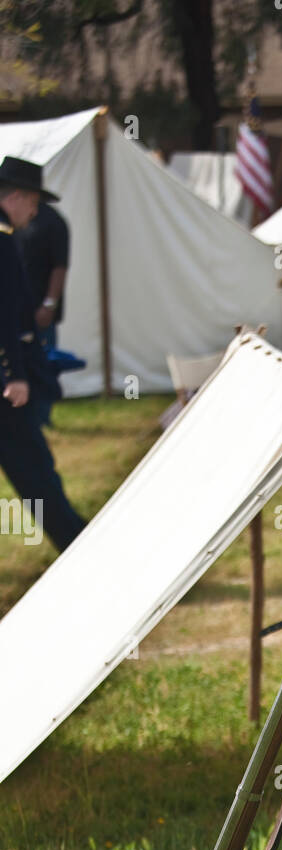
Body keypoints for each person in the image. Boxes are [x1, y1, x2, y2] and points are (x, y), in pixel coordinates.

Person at [0, 156, 85, 553]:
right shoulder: (1, 239)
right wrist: (13, 374)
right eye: (32, 204)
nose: (34, 214)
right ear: (14, 197)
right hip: (5, 388)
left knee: (35, 473)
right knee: (35, 473)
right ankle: (77, 545)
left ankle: (75, 540)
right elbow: (6, 313)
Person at [14, 198, 70, 426]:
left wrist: (49, 304)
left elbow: (60, 265)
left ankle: (41, 418)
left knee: (42, 364)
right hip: (14, 311)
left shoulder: (52, 221)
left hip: (39, 310)